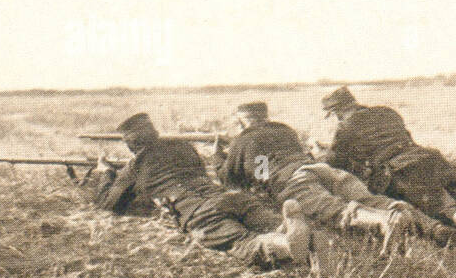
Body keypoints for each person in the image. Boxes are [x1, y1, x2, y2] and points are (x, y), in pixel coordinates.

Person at [83, 113, 310, 268]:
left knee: (243, 242)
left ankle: (285, 244)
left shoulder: (136, 166)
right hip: (231, 197)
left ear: (130, 144)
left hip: (201, 213)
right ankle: (295, 232)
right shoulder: (184, 147)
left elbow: (109, 203)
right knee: (270, 223)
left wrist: (106, 171)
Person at [218, 101, 456, 246]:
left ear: (242, 122)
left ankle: (384, 221)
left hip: (294, 179)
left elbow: (230, 180)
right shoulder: (285, 131)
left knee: (334, 210)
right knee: (375, 200)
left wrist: (221, 155)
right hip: (323, 170)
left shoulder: (243, 141)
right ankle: (434, 228)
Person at [319, 86, 456, 243]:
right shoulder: (387, 112)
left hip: (402, 169)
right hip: (429, 158)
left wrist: (323, 152)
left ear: (336, 112)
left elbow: (334, 163)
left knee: (440, 210)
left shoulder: (345, 128)